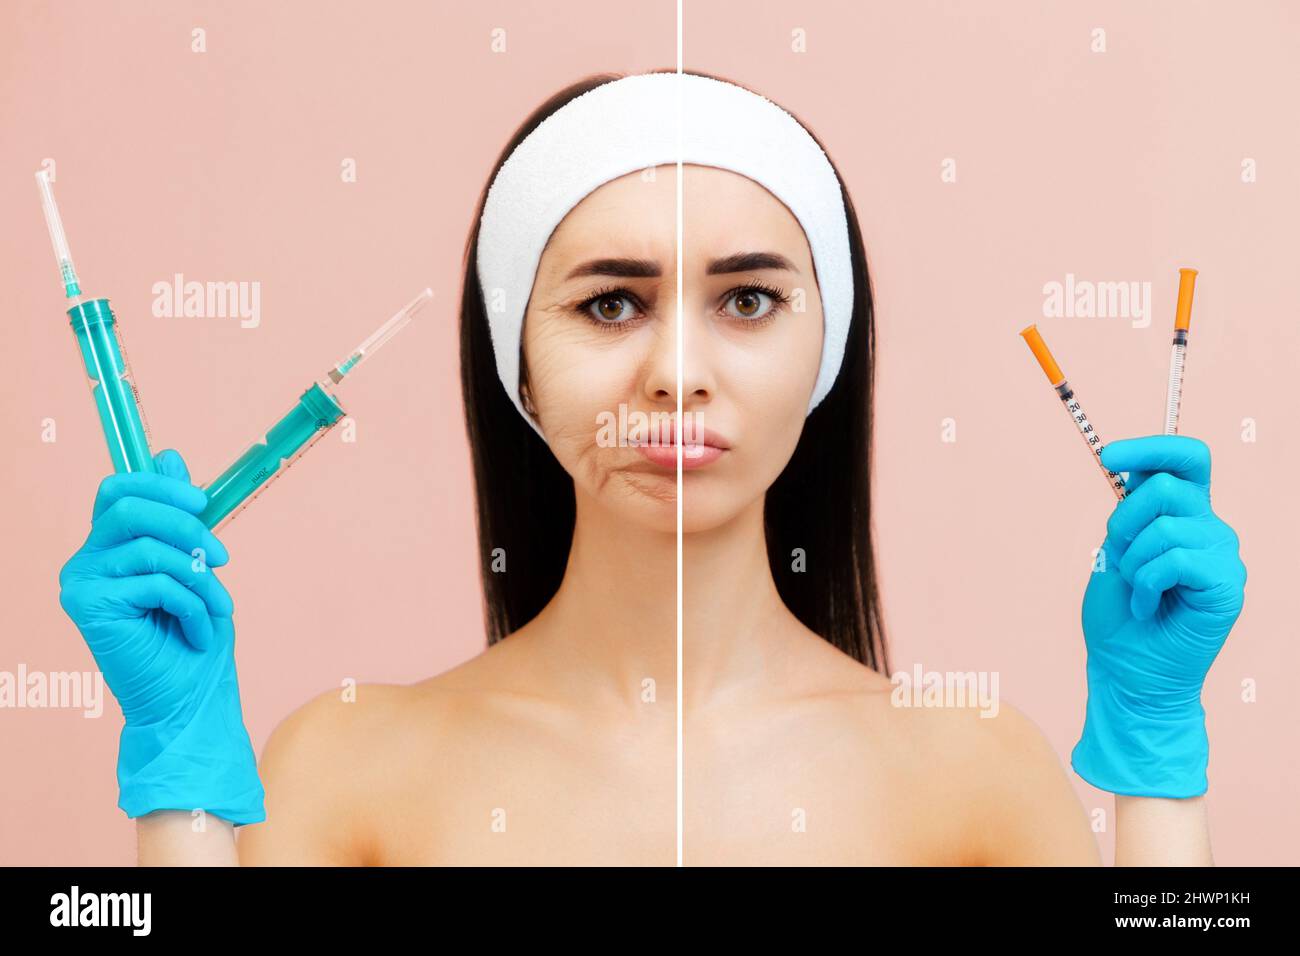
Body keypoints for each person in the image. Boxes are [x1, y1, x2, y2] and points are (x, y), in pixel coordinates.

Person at [58, 70, 1245, 866]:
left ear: (823, 351)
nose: (677, 372)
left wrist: (1156, 756)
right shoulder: (348, 762)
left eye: (747, 299)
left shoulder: (975, 771)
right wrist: (181, 778)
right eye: (612, 301)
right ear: (518, 364)